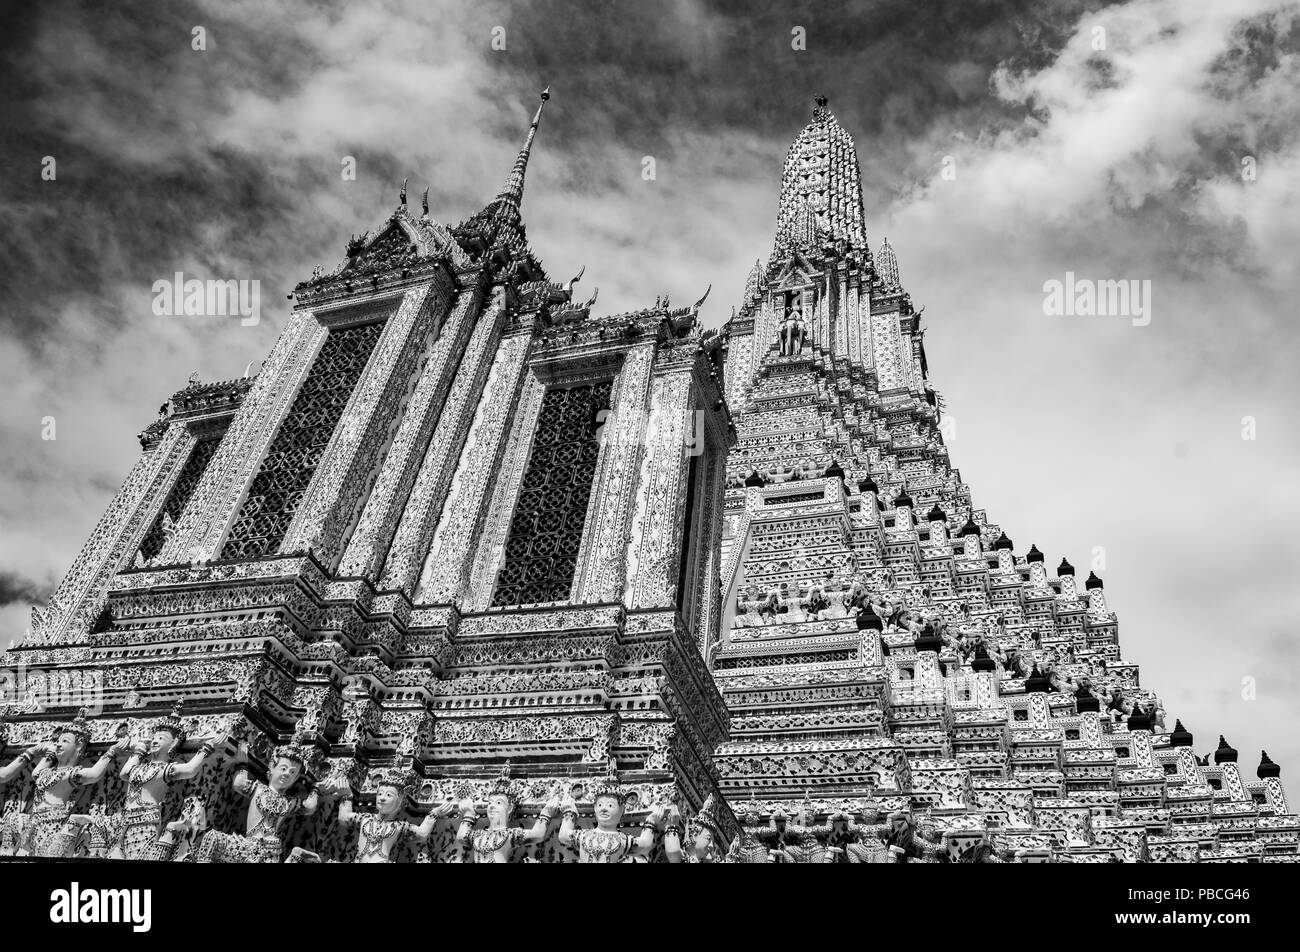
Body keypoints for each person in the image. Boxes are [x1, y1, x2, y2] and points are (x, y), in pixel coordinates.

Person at [191, 742, 321, 863]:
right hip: (247, 846)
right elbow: (239, 783)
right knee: (212, 837)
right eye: (283, 768)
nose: (287, 774)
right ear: (272, 767)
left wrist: (316, 789)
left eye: (292, 772)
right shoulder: (258, 788)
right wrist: (242, 763)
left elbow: (309, 807)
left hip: (270, 853)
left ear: (296, 778)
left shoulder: (290, 801)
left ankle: (296, 855)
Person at [336, 770, 458, 863]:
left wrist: (433, 814)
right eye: (380, 794)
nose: (382, 798)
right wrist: (346, 796)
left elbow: (422, 834)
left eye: (389, 795)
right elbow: (344, 818)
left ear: (400, 801)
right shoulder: (365, 818)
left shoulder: (399, 826)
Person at [558, 776, 665, 863]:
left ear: (621, 810)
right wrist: (569, 812)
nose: (603, 809)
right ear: (594, 808)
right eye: (600, 805)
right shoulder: (584, 835)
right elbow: (563, 836)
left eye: (610, 805)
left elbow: (644, 845)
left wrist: (651, 822)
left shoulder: (621, 840)